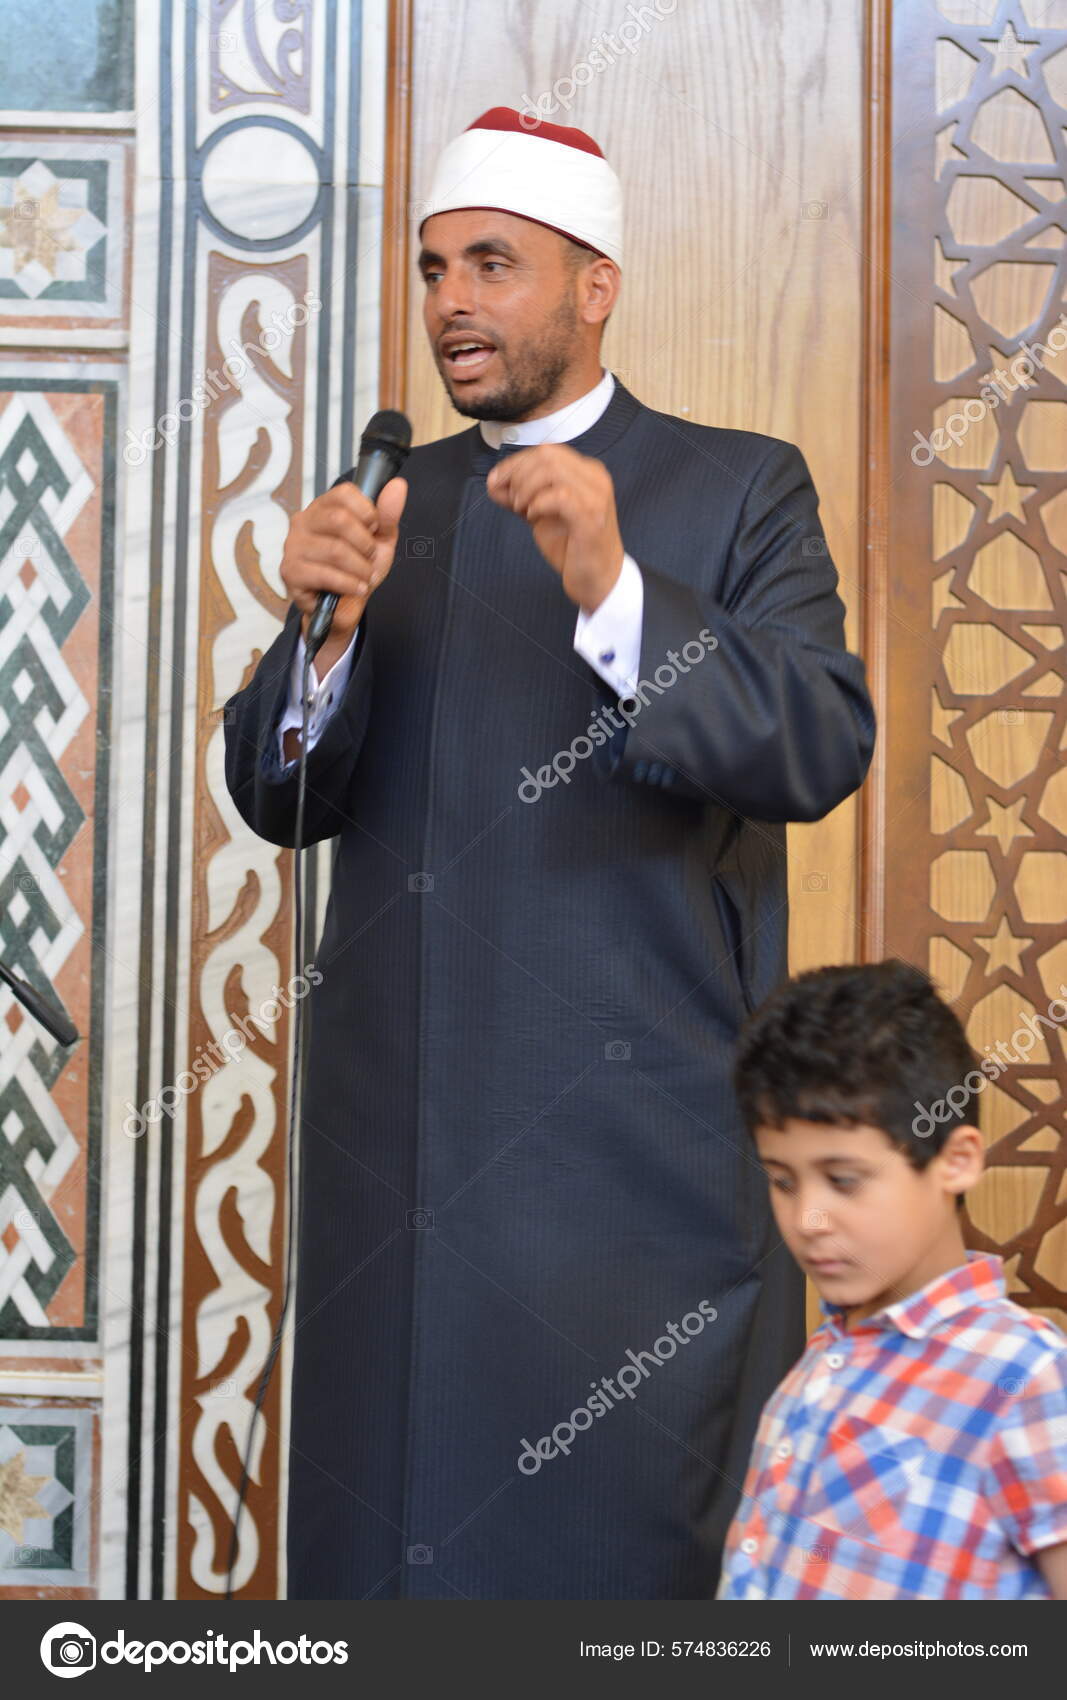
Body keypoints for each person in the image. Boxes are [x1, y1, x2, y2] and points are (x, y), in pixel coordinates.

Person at [223, 106, 875, 1600]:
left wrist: (612, 587)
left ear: (595, 287)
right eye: (435, 267)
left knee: (614, 1580)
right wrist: (318, 641)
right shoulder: (395, 500)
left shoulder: (736, 486)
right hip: (400, 1183)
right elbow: (284, 796)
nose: (452, 301)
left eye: (493, 266)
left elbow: (816, 747)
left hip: (630, 1189)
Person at [718, 959, 1067, 1601]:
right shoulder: (819, 1368)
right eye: (783, 1181)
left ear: (956, 1161)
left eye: (844, 1180)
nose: (808, 1220)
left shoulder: (1029, 1381)